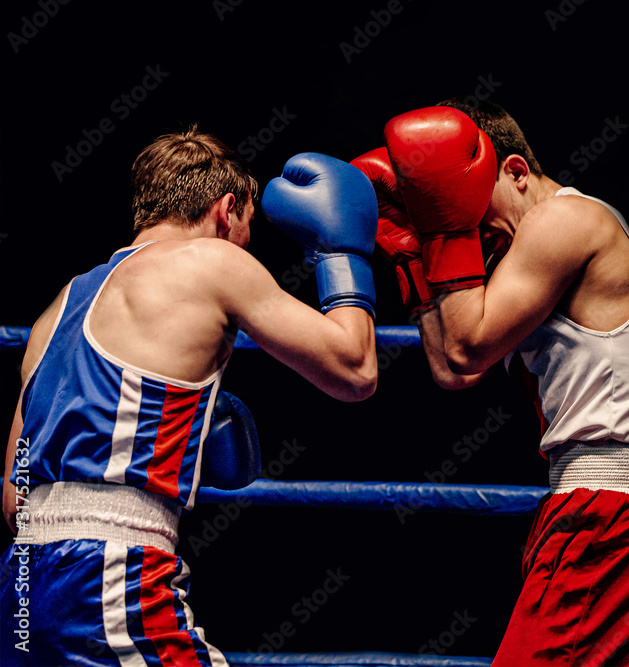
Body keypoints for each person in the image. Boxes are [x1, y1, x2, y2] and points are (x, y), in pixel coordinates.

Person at [1, 127, 379, 666]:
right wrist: (343, 252)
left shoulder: (58, 308)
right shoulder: (210, 260)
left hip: (20, 585)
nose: (247, 247)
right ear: (227, 210)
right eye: (247, 228)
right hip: (107, 579)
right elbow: (355, 366)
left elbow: (14, 500)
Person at [355, 102, 629, 665]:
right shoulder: (522, 252)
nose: (470, 225)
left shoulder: (563, 221)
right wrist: (410, 254)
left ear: (515, 171)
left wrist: (444, 230)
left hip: (611, 519)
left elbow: (466, 344)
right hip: (606, 515)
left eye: (470, 202)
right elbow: (453, 369)